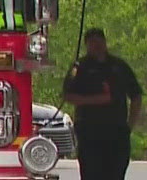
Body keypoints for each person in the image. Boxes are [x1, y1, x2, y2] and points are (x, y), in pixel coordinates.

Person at [61, 28, 142, 180]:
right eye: (92, 42)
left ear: (105, 42)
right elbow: (67, 96)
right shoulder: (79, 68)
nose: (97, 45)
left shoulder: (119, 67)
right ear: (87, 45)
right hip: (90, 133)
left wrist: (129, 125)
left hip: (116, 132)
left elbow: (136, 95)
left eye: (99, 41)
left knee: (116, 173)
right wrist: (95, 100)